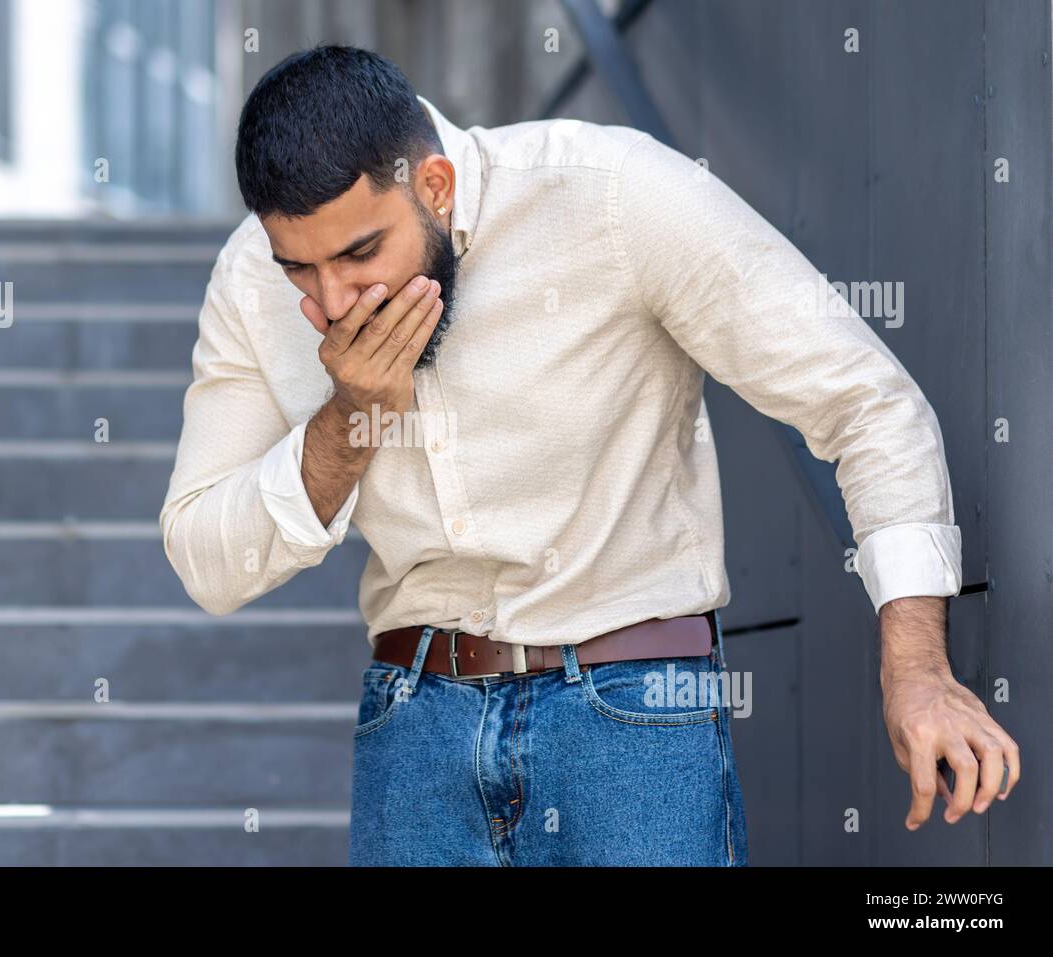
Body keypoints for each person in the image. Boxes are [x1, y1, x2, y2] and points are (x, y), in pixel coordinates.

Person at [159, 44, 1019, 865]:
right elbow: (207, 558)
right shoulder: (247, 281)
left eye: (359, 253)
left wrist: (918, 670)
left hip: (634, 716)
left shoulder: (612, 194)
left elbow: (864, 400)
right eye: (300, 269)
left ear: (434, 184)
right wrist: (349, 420)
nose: (335, 300)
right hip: (414, 725)